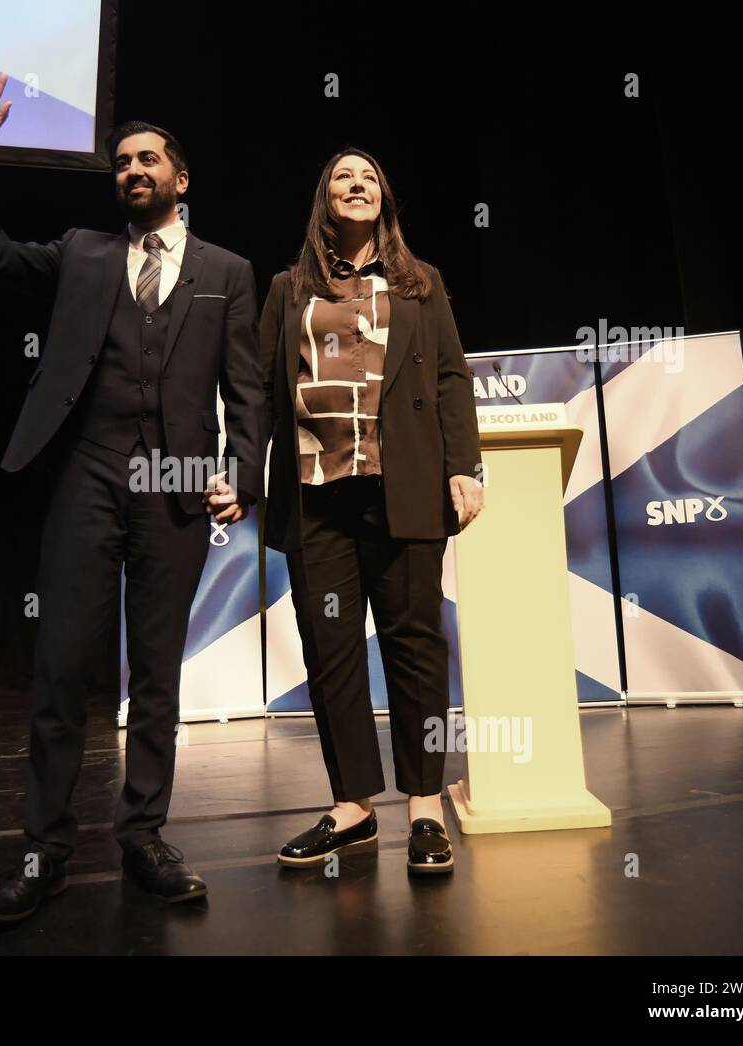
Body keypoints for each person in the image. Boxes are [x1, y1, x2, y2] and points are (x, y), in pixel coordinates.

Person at [0, 66, 262, 919]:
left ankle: (143, 834)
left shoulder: (229, 271)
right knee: (58, 668)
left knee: (156, 674)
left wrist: (247, 469)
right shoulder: (83, 252)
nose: (133, 170)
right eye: (121, 162)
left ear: (179, 179)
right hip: (86, 474)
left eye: (148, 159)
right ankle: (44, 850)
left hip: (180, 484)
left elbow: (248, 387)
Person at [241, 148, 482, 874]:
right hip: (317, 500)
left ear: (384, 200)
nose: (356, 185)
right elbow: (256, 390)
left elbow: (449, 378)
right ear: (324, 199)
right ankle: (352, 808)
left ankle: (425, 807)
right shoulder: (287, 291)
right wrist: (240, 474)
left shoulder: (419, 285)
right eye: (343, 177)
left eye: (369, 177)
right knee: (332, 652)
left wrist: (463, 466)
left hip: (403, 490)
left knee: (415, 648)